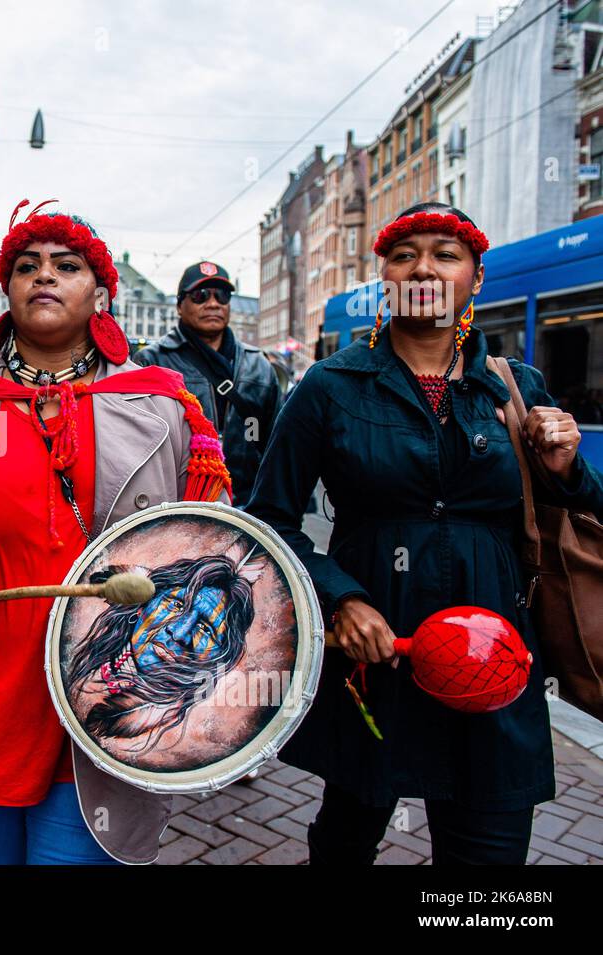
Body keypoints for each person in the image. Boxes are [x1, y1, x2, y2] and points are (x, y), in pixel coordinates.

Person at [0, 200, 232, 865]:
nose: (43, 276)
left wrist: (166, 597)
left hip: (110, 691)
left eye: (66, 265)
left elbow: (210, 531)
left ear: (102, 293)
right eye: (26, 266)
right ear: (7, 292)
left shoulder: (164, 406)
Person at [247, 203, 603, 864]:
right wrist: (340, 598)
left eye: (446, 252)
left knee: (489, 850)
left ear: (475, 276)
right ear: (385, 274)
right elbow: (267, 518)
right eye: (405, 253)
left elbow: (583, 510)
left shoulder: (515, 386)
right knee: (347, 835)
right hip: (376, 656)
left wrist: (567, 467)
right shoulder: (331, 386)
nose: (424, 266)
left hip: (494, 657)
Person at [135, 261, 280, 508]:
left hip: (249, 508)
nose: (213, 303)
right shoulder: (151, 361)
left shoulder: (259, 366)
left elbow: (277, 447)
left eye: (222, 296)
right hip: (179, 508)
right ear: (180, 305)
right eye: (200, 295)